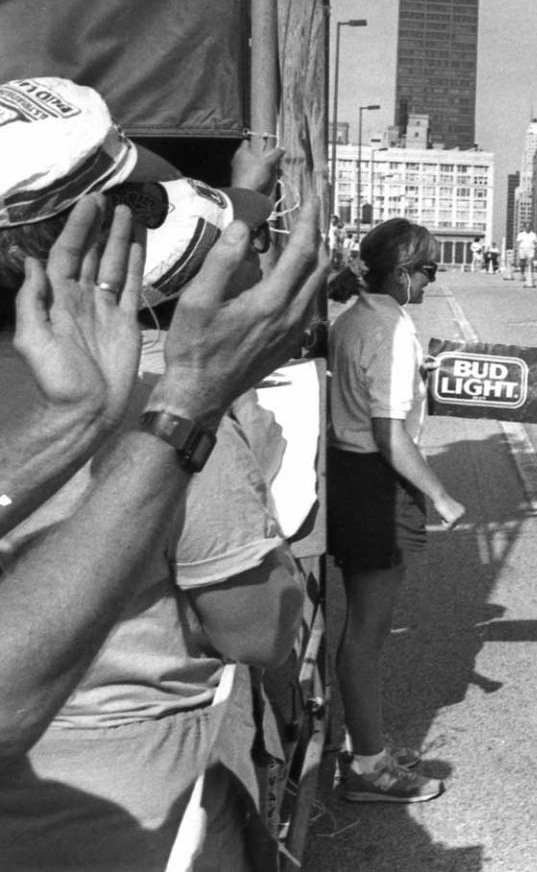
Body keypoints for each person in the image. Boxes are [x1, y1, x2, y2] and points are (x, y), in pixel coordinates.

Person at [0, 77, 327, 866]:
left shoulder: (78, 401)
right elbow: (257, 629)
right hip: (130, 821)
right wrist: (187, 410)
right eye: (136, 208)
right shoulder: (154, 405)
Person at [327, 218, 467, 804]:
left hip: (353, 475)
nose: (432, 282)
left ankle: (368, 744)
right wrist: (439, 494)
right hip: (375, 485)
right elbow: (389, 433)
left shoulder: (359, 316)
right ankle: (368, 766)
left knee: (365, 626)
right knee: (367, 631)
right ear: (402, 272)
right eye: (429, 271)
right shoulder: (388, 327)